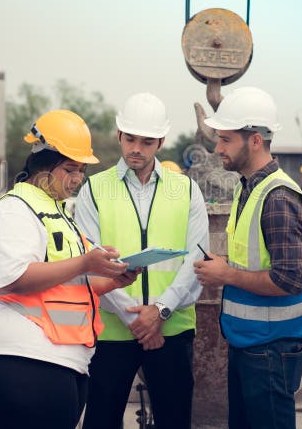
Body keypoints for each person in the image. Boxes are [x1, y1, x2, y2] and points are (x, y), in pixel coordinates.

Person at [0, 109, 139, 429]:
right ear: (42, 165)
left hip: (58, 359)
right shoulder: (14, 210)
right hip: (22, 357)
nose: (77, 178)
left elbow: (70, 285)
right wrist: (87, 262)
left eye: (82, 170)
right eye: (70, 168)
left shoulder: (57, 214)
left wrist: (112, 280)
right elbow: (15, 278)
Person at [194, 87, 302, 429]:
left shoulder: (278, 196)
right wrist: (222, 262)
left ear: (254, 140)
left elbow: (288, 280)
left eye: (225, 139)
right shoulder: (246, 187)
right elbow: (255, 257)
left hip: (272, 347)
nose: (217, 147)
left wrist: (225, 275)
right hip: (252, 339)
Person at [75, 92, 209, 429]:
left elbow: (196, 259)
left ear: (161, 141)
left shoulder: (187, 190)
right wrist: (137, 320)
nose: (137, 148)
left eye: (147, 141)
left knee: (175, 420)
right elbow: (89, 260)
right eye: (130, 138)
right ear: (119, 135)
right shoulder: (94, 189)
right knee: (102, 421)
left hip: (172, 327)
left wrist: (160, 312)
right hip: (110, 331)